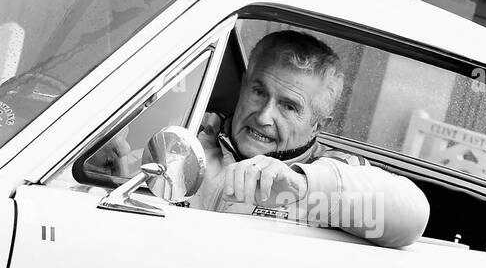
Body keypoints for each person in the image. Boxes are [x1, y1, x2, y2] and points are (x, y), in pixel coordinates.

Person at [92, 30, 430, 249]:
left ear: (317, 125)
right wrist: (118, 172)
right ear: (243, 87)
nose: (265, 116)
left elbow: (412, 215)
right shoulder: (192, 133)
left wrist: (300, 184)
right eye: (258, 92)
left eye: (288, 106)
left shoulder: (332, 174)